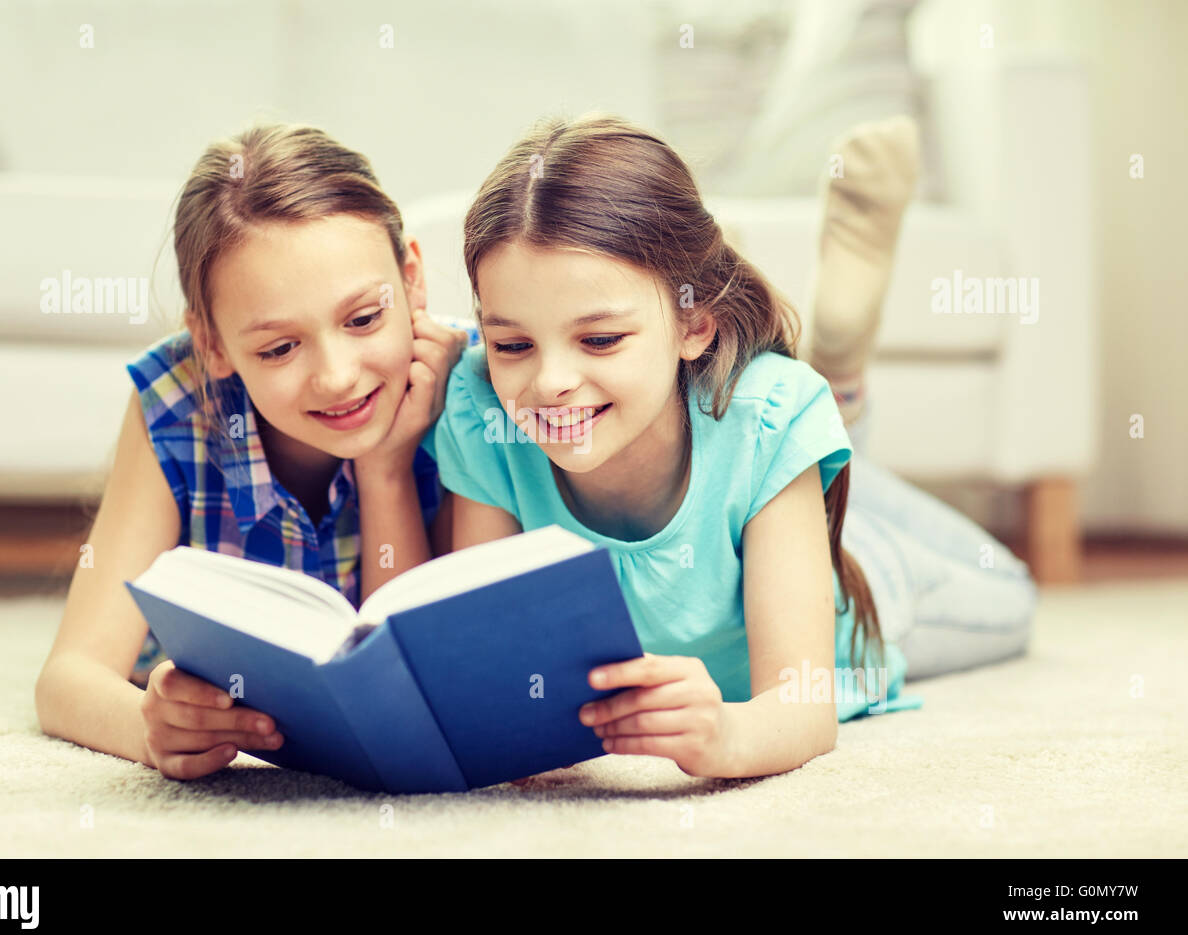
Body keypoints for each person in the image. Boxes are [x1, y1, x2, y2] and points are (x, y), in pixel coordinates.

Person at [429, 114, 1037, 781]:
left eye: (599, 339)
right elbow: (489, 668)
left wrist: (727, 731)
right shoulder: (480, 404)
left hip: (858, 572)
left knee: (1013, 597)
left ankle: (833, 403)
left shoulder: (761, 422)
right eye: (514, 344)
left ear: (694, 323)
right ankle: (834, 413)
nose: (548, 384)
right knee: (778, 438)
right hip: (763, 468)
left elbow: (804, 710)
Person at [36, 123, 467, 780]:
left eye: (362, 320)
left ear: (411, 280)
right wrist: (149, 730)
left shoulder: (464, 389)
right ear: (212, 343)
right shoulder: (179, 398)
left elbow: (410, 694)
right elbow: (67, 678)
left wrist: (386, 470)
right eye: (278, 348)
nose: (338, 375)